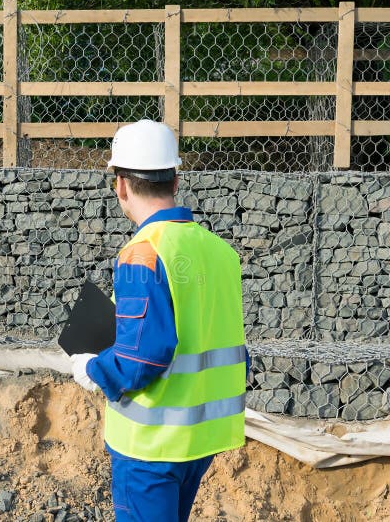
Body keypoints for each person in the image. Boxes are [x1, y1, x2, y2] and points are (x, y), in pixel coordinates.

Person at [70, 119, 249, 521]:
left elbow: (144, 357)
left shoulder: (142, 253)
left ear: (121, 185)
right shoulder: (220, 253)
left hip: (148, 447)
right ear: (175, 180)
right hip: (199, 442)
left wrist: (93, 368)